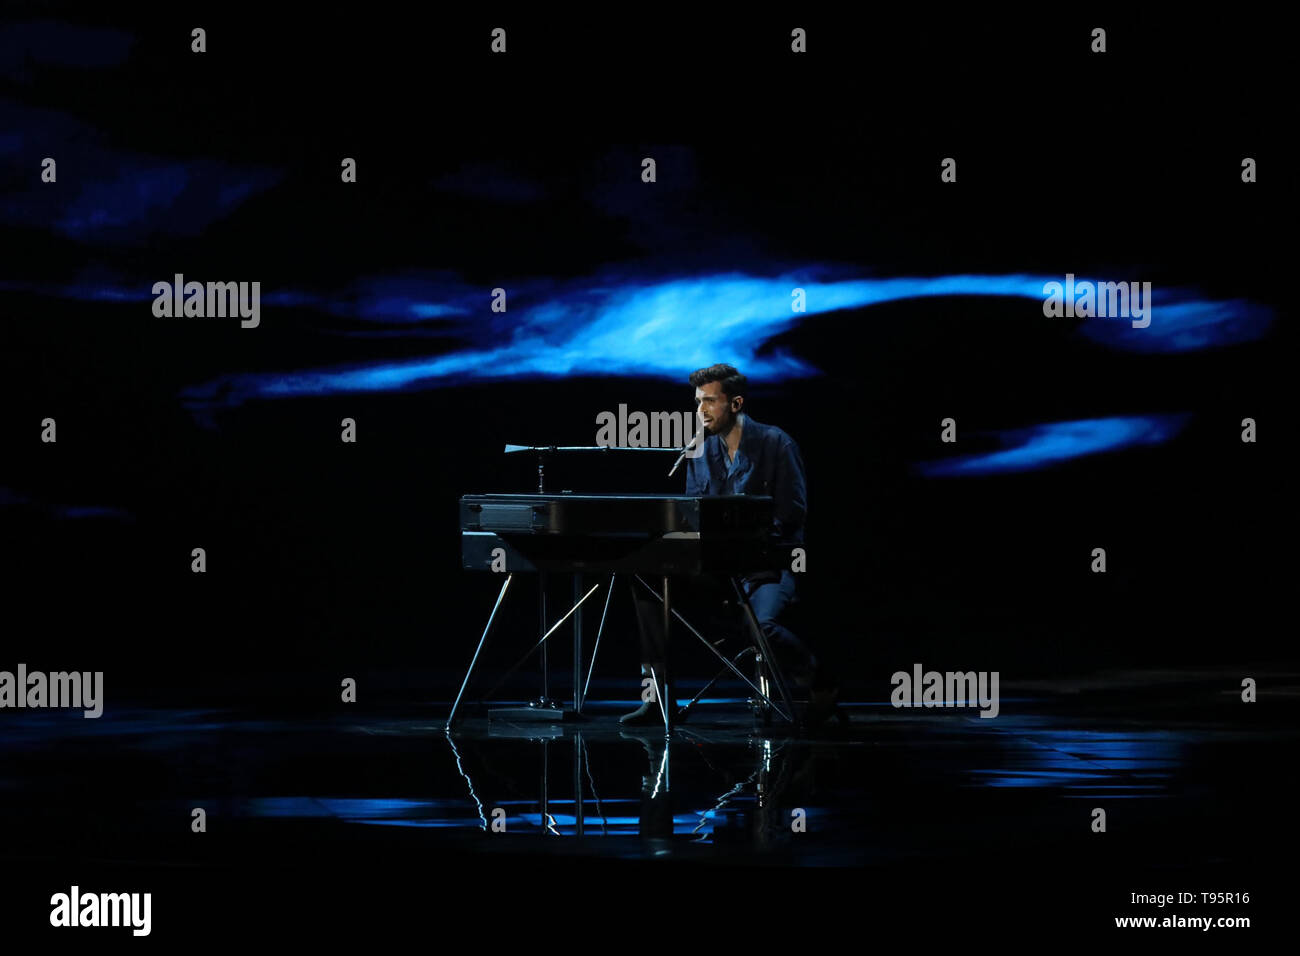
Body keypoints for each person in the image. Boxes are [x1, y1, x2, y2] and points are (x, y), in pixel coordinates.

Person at [621, 363, 836, 727]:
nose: (700, 411)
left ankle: (819, 683)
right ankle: (658, 698)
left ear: (735, 403)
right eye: (697, 402)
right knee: (647, 581)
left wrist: (743, 531)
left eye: (709, 401)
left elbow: (793, 514)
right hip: (718, 569)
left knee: (761, 625)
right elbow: (692, 515)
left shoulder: (776, 443)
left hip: (766, 566)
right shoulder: (698, 451)